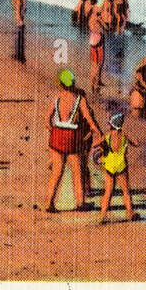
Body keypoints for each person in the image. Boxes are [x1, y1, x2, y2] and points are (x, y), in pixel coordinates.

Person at [44, 70, 103, 213]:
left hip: (57, 135)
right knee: (77, 171)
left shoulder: (57, 98)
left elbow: (47, 119)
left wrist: (53, 130)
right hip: (72, 137)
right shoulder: (79, 99)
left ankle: (49, 203)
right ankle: (80, 203)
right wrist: (98, 132)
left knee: (56, 173)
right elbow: (89, 119)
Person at [96, 111, 137, 223]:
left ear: (111, 124)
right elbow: (136, 142)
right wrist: (127, 136)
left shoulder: (107, 136)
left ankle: (103, 214)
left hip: (109, 165)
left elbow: (95, 144)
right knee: (126, 191)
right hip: (121, 165)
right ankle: (130, 212)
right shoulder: (124, 135)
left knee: (108, 191)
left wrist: (101, 147)